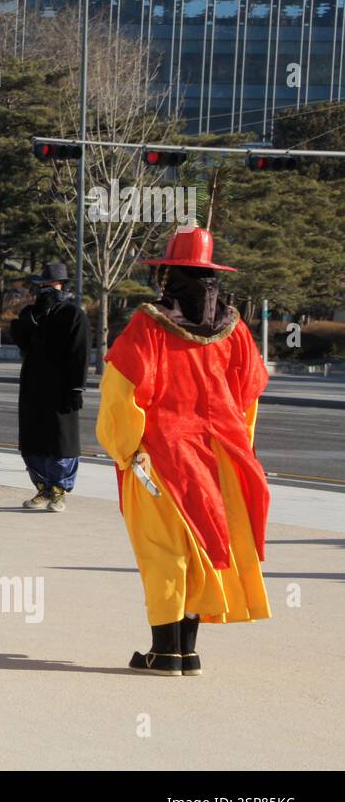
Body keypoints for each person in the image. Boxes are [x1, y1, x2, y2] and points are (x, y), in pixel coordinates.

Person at [97, 226, 270, 676]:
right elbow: (249, 396)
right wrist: (239, 450)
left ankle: (164, 652)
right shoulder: (235, 330)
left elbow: (122, 395)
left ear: (169, 274)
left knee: (163, 553)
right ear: (213, 278)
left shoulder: (148, 324)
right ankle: (188, 652)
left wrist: (124, 450)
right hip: (220, 457)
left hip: (161, 457)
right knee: (205, 547)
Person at [11, 261, 89, 512]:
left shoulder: (73, 314)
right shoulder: (30, 314)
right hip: (33, 386)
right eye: (42, 285)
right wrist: (33, 317)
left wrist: (77, 387)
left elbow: (80, 353)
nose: (46, 289)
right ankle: (42, 487)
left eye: (51, 285)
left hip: (62, 387)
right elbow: (20, 340)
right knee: (33, 438)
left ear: (62, 286)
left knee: (60, 440)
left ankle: (59, 490)